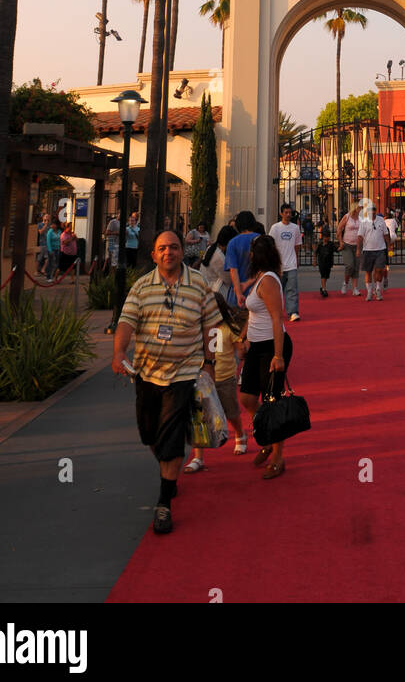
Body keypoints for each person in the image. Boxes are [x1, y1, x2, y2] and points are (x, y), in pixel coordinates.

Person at [112, 227, 219, 534]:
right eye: (162, 248)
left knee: (171, 436)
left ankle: (163, 502)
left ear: (182, 251)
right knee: (150, 435)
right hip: (147, 373)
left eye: (173, 247)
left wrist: (211, 362)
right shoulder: (142, 287)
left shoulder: (198, 284)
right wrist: (119, 351)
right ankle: (168, 474)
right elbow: (126, 321)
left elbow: (212, 327)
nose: (168, 252)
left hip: (184, 372)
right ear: (154, 254)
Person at [238, 234, 294, 480]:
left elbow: (276, 317)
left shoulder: (269, 280)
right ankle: (268, 436)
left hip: (272, 347)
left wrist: (278, 356)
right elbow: (254, 315)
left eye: (253, 252)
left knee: (272, 402)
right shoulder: (260, 276)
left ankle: (278, 457)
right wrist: (243, 338)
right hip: (255, 346)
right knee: (248, 398)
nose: (249, 256)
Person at [185, 293, 249, 470]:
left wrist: (243, 348)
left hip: (224, 378)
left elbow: (239, 351)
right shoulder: (198, 330)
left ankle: (240, 433)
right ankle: (198, 457)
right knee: (199, 417)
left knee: (231, 412)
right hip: (202, 380)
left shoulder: (228, 329)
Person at [270, 204, 303, 322]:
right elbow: (271, 245)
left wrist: (297, 259)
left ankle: (293, 312)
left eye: (290, 213)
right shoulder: (275, 228)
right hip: (279, 265)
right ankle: (276, 311)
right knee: (278, 290)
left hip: (292, 264)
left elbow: (297, 245)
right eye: (286, 213)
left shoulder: (295, 228)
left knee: (292, 289)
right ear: (281, 214)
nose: (288, 215)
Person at [224, 210, 262, 308]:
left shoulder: (232, 243)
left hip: (237, 290)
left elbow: (233, 270)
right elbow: (264, 268)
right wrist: (248, 283)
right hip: (257, 289)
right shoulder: (261, 240)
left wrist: (238, 293)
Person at [357, 203, 390, 302]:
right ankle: (369, 292)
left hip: (380, 249)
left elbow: (386, 234)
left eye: (374, 210)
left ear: (376, 211)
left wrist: (389, 246)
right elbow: (360, 236)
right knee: (368, 272)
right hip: (368, 250)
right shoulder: (364, 222)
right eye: (371, 210)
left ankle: (378, 289)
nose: (372, 212)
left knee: (380, 270)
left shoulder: (381, 221)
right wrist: (358, 249)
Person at [336, 198, 362, 296]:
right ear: (355, 208)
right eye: (359, 207)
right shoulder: (347, 217)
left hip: (358, 245)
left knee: (356, 267)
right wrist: (341, 241)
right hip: (347, 245)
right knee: (349, 265)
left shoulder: (360, 219)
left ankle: (355, 288)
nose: (360, 209)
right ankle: (345, 283)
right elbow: (339, 229)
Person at [316, 224, 335, 297]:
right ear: (323, 237)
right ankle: (324, 289)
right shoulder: (320, 244)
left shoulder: (331, 244)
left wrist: (342, 246)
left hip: (329, 263)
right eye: (325, 237)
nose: (326, 238)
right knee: (323, 275)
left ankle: (323, 287)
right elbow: (315, 253)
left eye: (328, 237)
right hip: (322, 263)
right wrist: (314, 261)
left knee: (326, 276)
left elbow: (337, 250)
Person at [382, 209, 398, 291]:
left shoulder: (383, 221)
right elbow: (396, 228)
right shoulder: (394, 220)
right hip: (393, 235)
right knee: (391, 245)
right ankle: (390, 254)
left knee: (388, 245)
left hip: (387, 235)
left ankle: (389, 255)